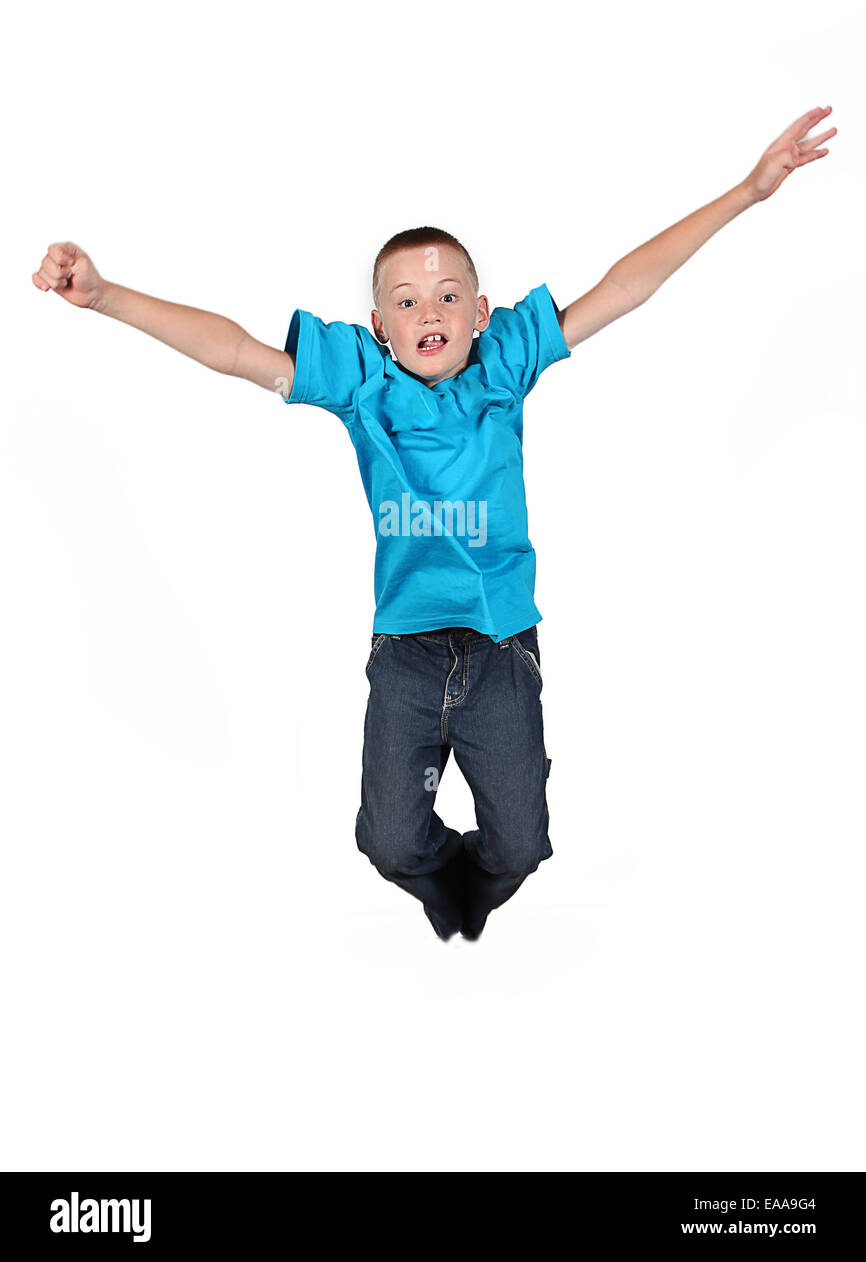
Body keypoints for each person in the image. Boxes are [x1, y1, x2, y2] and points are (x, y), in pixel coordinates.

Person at [31, 105, 836, 940]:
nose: (430, 313)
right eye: (407, 302)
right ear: (380, 328)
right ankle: (442, 880)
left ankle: (479, 882)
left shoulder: (505, 365)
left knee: (522, 845)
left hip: (500, 646)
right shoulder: (361, 384)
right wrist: (106, 297)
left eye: (449, 297)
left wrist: (747, 192)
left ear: (480, 314)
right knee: (387, 841)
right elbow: (235, 351)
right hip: (407, 651)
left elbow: (624, 288)